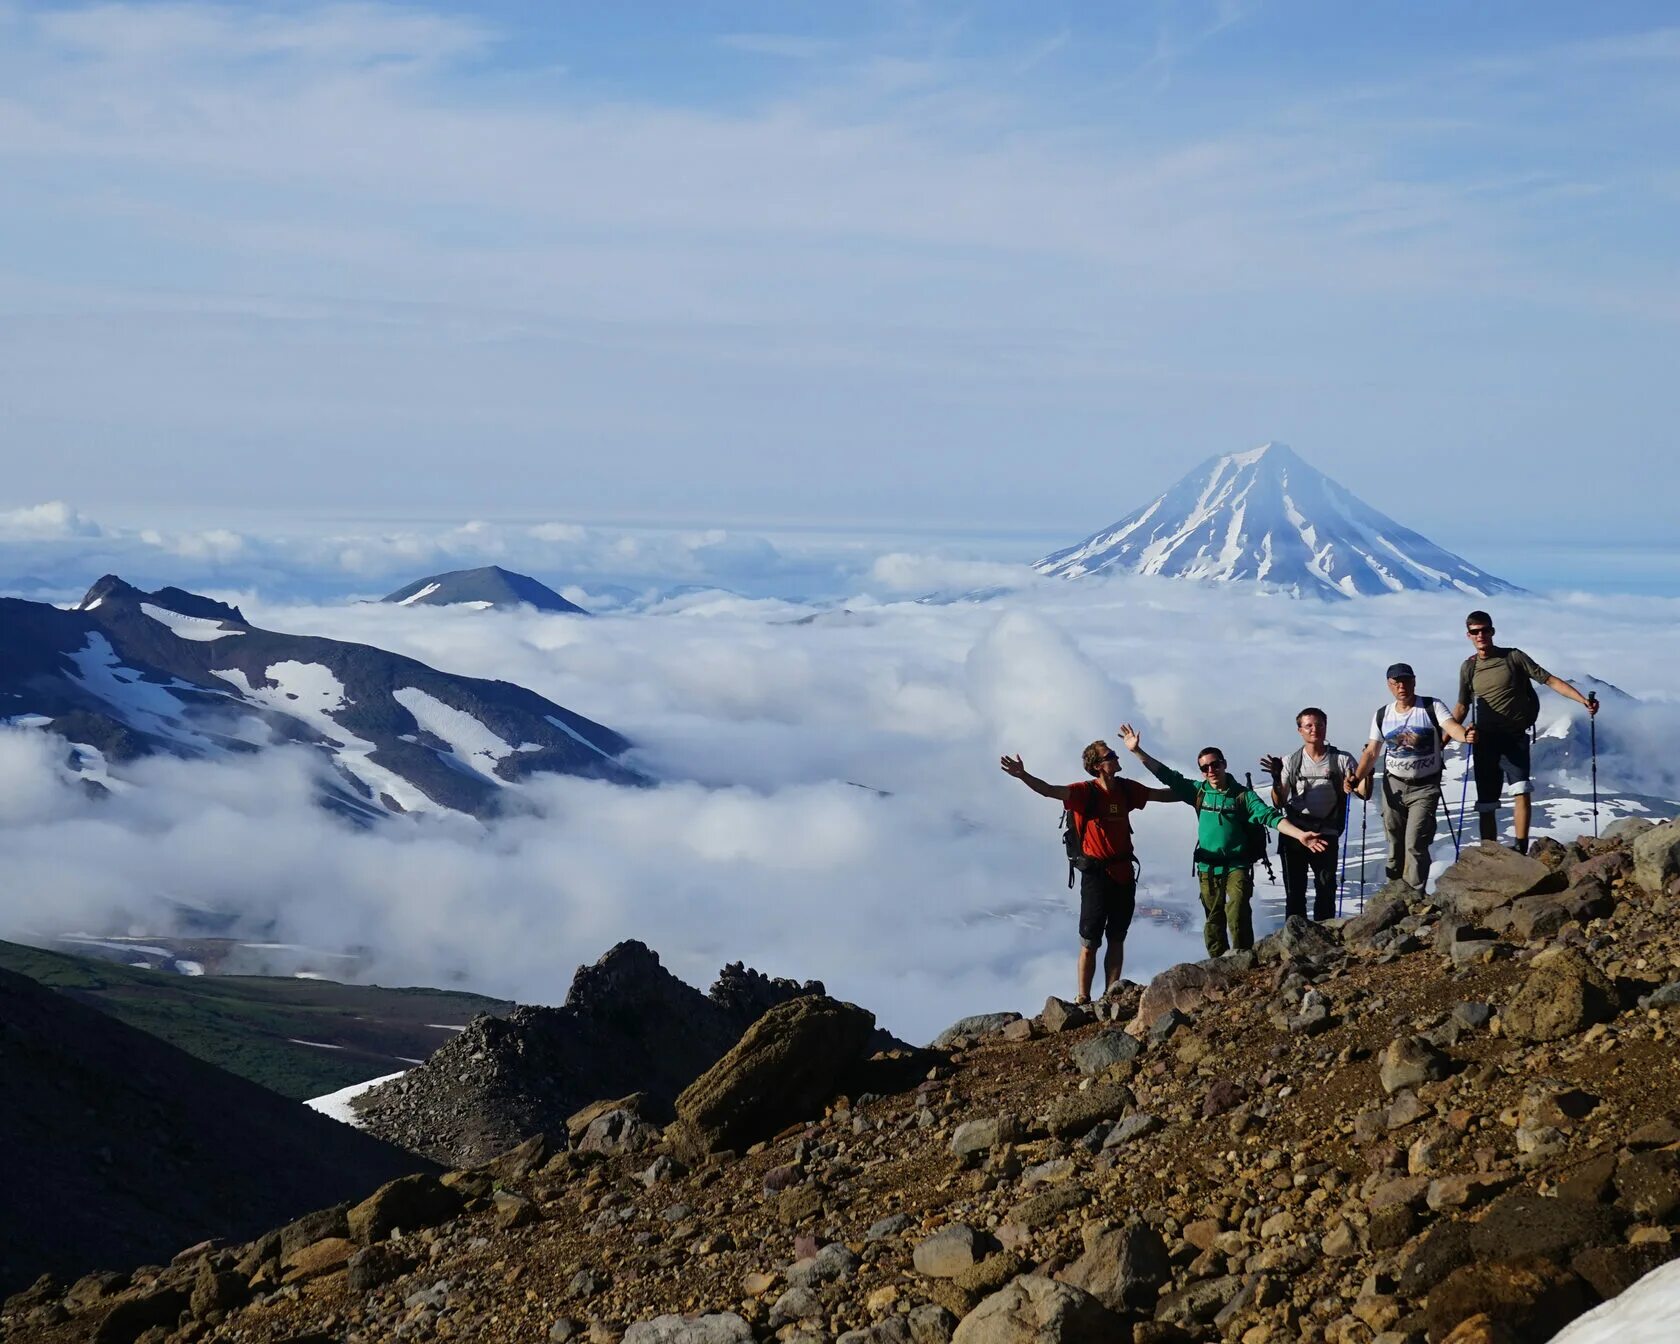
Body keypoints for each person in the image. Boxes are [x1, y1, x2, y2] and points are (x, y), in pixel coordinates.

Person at [1119, 724, 1331, 958]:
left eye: (1215, 764)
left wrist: (1300, 835)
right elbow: (1166, 775)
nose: (1211, 770)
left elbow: (1269, 816)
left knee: (1238, 909)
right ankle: (1218, 962)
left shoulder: (1242, 796)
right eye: (1205, 767)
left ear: (1224, 764)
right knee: (1213, 918)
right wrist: (1136, 751)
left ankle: (1243, 958)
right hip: (1207, 866)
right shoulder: (1197, 791)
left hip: (1236, 864)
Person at [1000, 741, 1177, 1003]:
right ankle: (1083, 997)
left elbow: (1159, 795)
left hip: (1124, 872)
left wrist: (1197, 792)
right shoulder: (1085, 793)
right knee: (1090, 940)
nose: (1116, 757)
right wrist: (1023, 775)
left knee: (1117, 936)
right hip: (1096, 875)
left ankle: (1111, 994)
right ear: (1097, 766)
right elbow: (1050, 791)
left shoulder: (1126, 789)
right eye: (1110, 756)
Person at [1453, 610, 1599, 854]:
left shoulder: (1513, 657)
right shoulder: (1468, 668)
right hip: (1485, 742)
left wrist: (1583, 700)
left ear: (1492, 631)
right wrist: (1441, 739)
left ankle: (1520, 848)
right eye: (1475, 632)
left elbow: (1550, 680)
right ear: (1468, 635)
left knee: (1521, 790)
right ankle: (1489, 853)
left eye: (1485, 630)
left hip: (1513, 737)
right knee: (1486, 803)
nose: (1481, 636)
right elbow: (1461, 706)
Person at [1350, 663, 1474, 892]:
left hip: (1425, 787)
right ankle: (1394, 890)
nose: (1401, 686)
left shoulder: (1431, 706)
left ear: (1414, 681)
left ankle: (1413, 896)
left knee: (1415, 842)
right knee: (1395, 841)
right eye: (1396, 682)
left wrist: (1465, 736)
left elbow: (1451, 727)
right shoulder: (1382, 715)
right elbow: (1371, 751)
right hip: (1394, 785)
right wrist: (1356, 777)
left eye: (1405, 681)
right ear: (1389, 685)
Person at [1261, 708, 1371, 922]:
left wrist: (1367, 768)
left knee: (1326, 889)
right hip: (1294, 835)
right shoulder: (1290, 762)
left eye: (1319, 724)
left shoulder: (1341, 760)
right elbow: (1279, 801)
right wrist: (1276, 778)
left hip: (1325, 833)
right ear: (1299, 730)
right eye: (1309, 725)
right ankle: (1296, 941)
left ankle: (1323, 938)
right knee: (1295, 893)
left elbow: (1364, 792)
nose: (1315, 729)